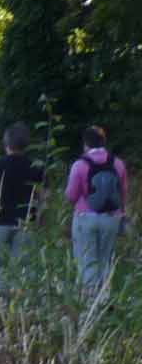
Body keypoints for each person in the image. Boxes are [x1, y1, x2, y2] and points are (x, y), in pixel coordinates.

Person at [0, 122, 44, 291]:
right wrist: (40, 221)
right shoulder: (36, 167)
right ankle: (20, 296)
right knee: (24, 265)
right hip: (27, 224)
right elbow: (44, 198)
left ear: (6, 143)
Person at [63, 125, 126, 293]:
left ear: (85, 143)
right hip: (111, 217)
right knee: (105, 260)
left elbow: (71, 196)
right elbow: (123, 193)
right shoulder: (118, 163)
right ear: (104, 141)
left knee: (87, 261)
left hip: (85, 218)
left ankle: (89, 303)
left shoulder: (79, 164)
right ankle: (104, 300)